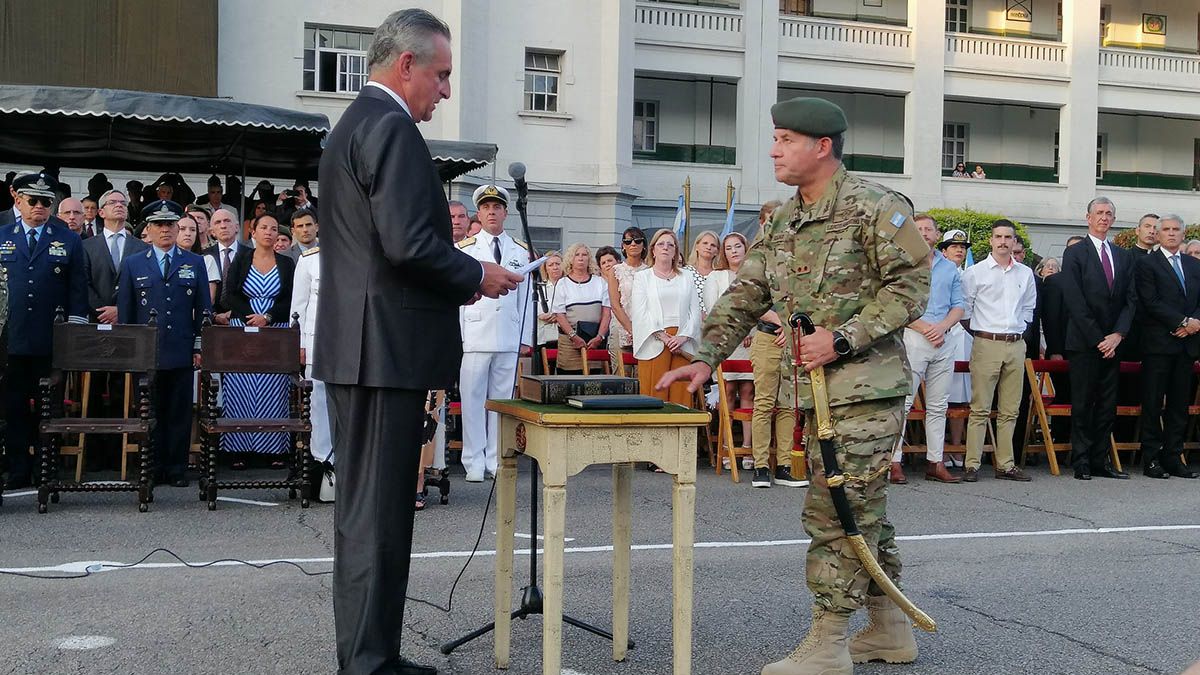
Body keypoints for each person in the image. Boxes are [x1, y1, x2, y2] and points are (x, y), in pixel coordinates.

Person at [657, 97, 930, 674]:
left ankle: (829, 644)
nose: (774, 149)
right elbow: (747, 293)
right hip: (815, 393)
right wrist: (707, 357)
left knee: (836, 509)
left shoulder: (876, 208)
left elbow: (910, 289)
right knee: (858, 503)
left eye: (785, 139)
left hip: (864, 389)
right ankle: (890, 629)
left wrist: (844, 337)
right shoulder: (782, 219)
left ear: (822, 146)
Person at [313, 9, 521, 674]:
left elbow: (385, 245)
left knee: (366, 514)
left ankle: (369, 654)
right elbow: (407, 245)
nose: (447, 90)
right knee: (377, 518)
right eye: (443, 74)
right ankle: (370, 662)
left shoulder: (356, 123)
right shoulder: (392, 128)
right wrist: (475, 273)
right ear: (407, 64)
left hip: (363, 346)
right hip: (383, 351)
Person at [1, 173, 89, 489]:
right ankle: (18, 469)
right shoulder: (2, 236)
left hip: (51, 340)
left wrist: (72, 337)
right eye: (33, 200)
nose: (40, 207)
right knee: (13, 408)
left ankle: (46, 467)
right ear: (18, 200)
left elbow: (78, 291)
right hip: (10, 340)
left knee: (48, 409)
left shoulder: (67, 239)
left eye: (46, 202)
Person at [116, 200, 210, 487]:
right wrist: (130, 350)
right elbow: (127, 311)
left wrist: (198, 346)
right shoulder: (133, 263)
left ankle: (176, 468)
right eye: (159, 225)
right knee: (149, 412)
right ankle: (151, 467)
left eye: (170, 224)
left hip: (181, 349)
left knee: (179, 412)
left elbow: (203, 308)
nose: (165, 230)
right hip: (147, 351)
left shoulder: (193, 262)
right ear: (148, 229)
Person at [455, 184, 533, 483]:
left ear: (505, 212)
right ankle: (473, 460)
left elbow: (525, 297)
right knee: (473, 400)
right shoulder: (466, 248)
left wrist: (525, 337)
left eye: (496, 207)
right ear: (479, 212)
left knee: (501, 402)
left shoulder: (519, 250)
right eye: (486, 207)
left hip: (507, 334)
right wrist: (457, 337)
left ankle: (496, 458)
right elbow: (458, 295)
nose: (491, 212)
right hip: (474, 334)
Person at [1059, 197, 1134, 481]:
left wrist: (1117, 335)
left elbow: (1131, 299)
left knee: (1106, 405)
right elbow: (1075, 300)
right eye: (1099, 213)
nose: (1104, 217)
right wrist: (1098, 338)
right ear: (1088, 217)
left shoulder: (1123, 256)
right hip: (1084, 343)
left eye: (1109, 213)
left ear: (1113, 220)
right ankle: (1081, 461)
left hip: (1113, 344)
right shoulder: (1076, 253)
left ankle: (1100, 460)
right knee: (1083, 403)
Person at [890, 214, 965, 484]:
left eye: (928, 229)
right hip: (914, 337)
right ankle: (894, 462)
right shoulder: (903, 264)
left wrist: (942, 327)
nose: (923, 233)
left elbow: (959, 305)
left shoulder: (949, 268)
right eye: (918, 229)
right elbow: (896, 304)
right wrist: (925, 328)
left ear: (937, 235)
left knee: (938, 405)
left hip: (944, 339)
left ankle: (936, 461)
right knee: (905, 401)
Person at [959, 220, 1036, 483]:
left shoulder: (1025, 274)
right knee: (980, 408)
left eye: (1008, 237)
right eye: (998, 237)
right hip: (985, 342)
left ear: (1014, 242)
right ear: (991, 240)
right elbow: (965, 310)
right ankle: (972, 464)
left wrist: (1019, 330)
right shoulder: (975, 273)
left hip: (1015, 343)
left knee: (1010, 409)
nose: (1003, 242)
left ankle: (1005, 464)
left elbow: (1029, 309)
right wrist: (983, 335)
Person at [219, 215, 296, 469]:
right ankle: (237, 450)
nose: (269, 232)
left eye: (274, 229)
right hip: (243, 327)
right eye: (264, 227)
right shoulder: (241, 259)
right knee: (240, 386)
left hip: (275, 329)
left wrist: (268, 317)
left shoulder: (287, 263)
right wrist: (249, 317)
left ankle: (273, 449)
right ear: (253, 231)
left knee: (273, 388)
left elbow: (290, 298)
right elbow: (229, 295)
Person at [1133, 214, 1200, 480]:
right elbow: (1150, 301)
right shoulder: (1147, 264)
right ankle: (1151, 459)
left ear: (1183, 234)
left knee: (1179, 405)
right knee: (1152, 403)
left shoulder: (1194, 265)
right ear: (1158, 234)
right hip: (1159, 344)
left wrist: (1195, 322)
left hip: (1187, 345)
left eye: (1176, 230)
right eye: (1166, 230)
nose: (1171, 234)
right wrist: (1182, 321)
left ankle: (1174, 457)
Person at [632, 229, 701, 410]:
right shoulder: (642, 277)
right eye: (661, 244)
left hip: (682, 339)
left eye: (670, 245)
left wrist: (683, 337)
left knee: (681, 392)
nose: (665, 248)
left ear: (675, 251)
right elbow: (640, 312)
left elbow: (694, 311)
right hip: (655, 339)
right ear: (653, 250)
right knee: (655, 391)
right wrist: (664, 337)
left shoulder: (687, 277)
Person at [290, 243, 335, 492]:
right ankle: (322, 461)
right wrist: (299, 344)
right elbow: (298, 306)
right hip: (316, 340)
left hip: (350, 341)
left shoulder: (357, 250)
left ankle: (345, 459)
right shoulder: (309, 259)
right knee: (318, 402)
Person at [708, 233, 755, 465]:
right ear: (723, 253)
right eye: (728, 248)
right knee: (727, 393)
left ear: (746, 248)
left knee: (748, 392)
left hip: (751, 341)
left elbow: (761, 306)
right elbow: (713, 309)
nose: (734, 251)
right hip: (726, 341)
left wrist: (750, 332)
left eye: (738, 246)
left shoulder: (755, 274)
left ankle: (747, 448)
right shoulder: (717, 277)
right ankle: (726, 448)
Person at [84, 189, 149, 324]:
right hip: (97, 321)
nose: (119, 205)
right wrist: (102, 312)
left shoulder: (142, 248)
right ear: (101, 212)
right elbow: (83, 283)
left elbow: (145, 286)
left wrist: (122, 310)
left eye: (123, 203)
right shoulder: (86, 246)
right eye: (112, 202)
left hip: (131, 323)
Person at [551, 243, 611, 374]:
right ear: (570, 259)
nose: (580, 258)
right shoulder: (563, 283)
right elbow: (559, 315)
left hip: (593, 341)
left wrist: (599, 337)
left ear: (589, 259)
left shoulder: (600, 282)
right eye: (576, 255)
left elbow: (606, 313)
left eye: (584, 255)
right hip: (569, 342)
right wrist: (574, 337)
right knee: (569, 380)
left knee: (593, 382)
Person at [938, 230, 972, 459]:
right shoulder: (935, 273)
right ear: (943, 251)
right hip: (941, 335)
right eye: (953, 246)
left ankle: (957, 447)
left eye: (962, 247)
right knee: (939, 397)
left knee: (961, 395)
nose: (959, 250)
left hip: (965, 338)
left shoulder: (971, 275)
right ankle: (937, 448)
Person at [607, 227, 649, 374]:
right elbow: (615, 304)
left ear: (643, 245)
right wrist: (630, 328)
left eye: (638, 240)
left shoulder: (650, 270)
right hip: (621, 327)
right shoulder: (616, 270)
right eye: (628, 241)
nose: (633, 244)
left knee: (642, 375)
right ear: (623, 246)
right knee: (621, 375)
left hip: (645, 329)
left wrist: (640, 330)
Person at [204, 207, 245, 324]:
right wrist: (214, 315)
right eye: (218, 222)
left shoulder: (251, 254)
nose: (223, 226)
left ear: (237, 227)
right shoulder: (203, 256)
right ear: (211, 232)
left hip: (243, 318)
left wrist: (235, 312)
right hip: (211, 320)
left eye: (227, 221)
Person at [684, 230, 721, 316]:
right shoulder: (685, 272)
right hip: (690, 323)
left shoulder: (720, 274)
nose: (708, 247)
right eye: (705, 243)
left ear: (717, 251)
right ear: (697, 246)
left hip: (715, 324)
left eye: (713, 245)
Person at [536, 251, 564, 349]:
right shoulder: (540, 288)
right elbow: (539, 312)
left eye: (558, 264)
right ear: (545, 268)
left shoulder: (569, 286)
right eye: (551, 265)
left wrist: (557, 316)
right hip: (543, 337)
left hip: (564, 338)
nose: (555, 267)